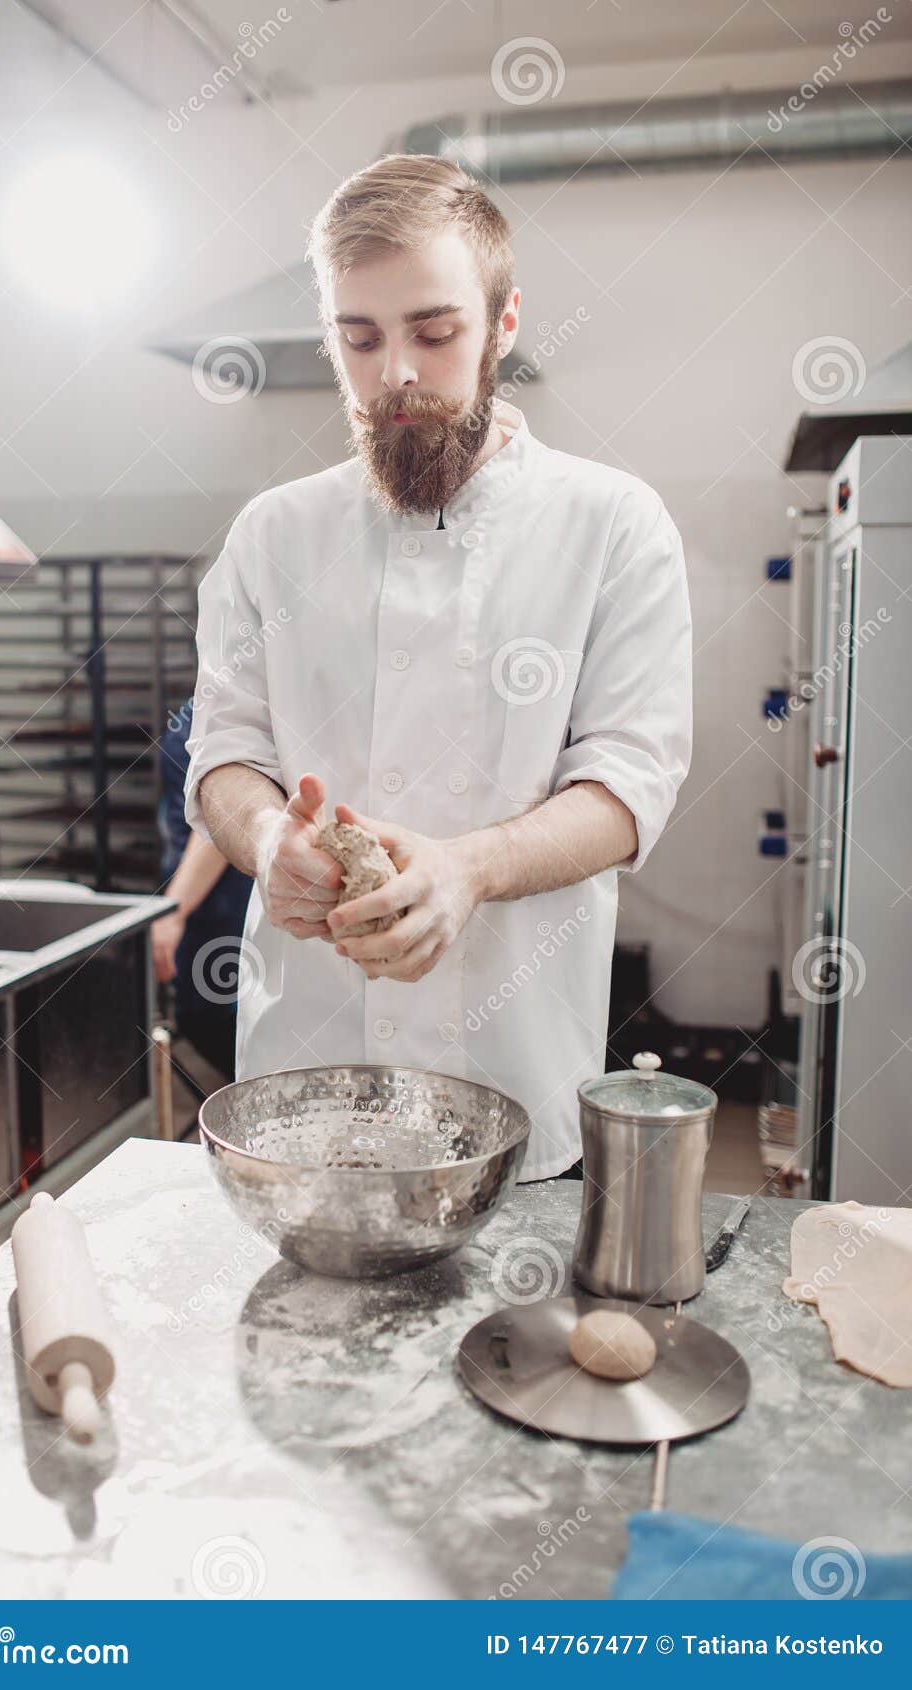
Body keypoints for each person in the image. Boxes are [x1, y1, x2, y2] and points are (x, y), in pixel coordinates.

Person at [184, 154, 692, 1180]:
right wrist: (268, 836)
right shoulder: (272, 534)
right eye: (357, 337)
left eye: (433, 330)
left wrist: (468, 870)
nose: (395, 375)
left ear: (503, 324)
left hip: (514, 1076)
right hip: (305, 1077)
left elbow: (628, 785)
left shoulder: (612, 524)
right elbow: (223, 756)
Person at [153, 698, 252, 1081]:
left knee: (210, 1016)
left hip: (223, 903)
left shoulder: (227, 706)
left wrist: (173, 912)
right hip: (205, 902)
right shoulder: (206, 701)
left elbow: (222, 821)